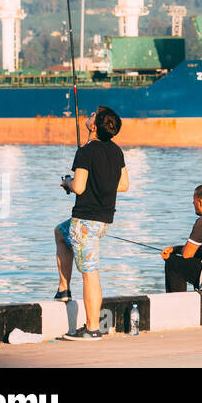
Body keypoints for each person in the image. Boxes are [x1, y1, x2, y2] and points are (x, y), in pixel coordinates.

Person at [54, 106, 129, 341]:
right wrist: (100, 183)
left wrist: (68, 181)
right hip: (103, 222)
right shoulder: (116, 152)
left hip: (85, 222)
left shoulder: (85, 152)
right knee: (60, 232)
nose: (88, 116)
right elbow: (124, 184)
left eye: (92, 115)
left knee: (90, 274)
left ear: (95, 126)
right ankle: (63, 288)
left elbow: (78, 187)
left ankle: (92, 328)